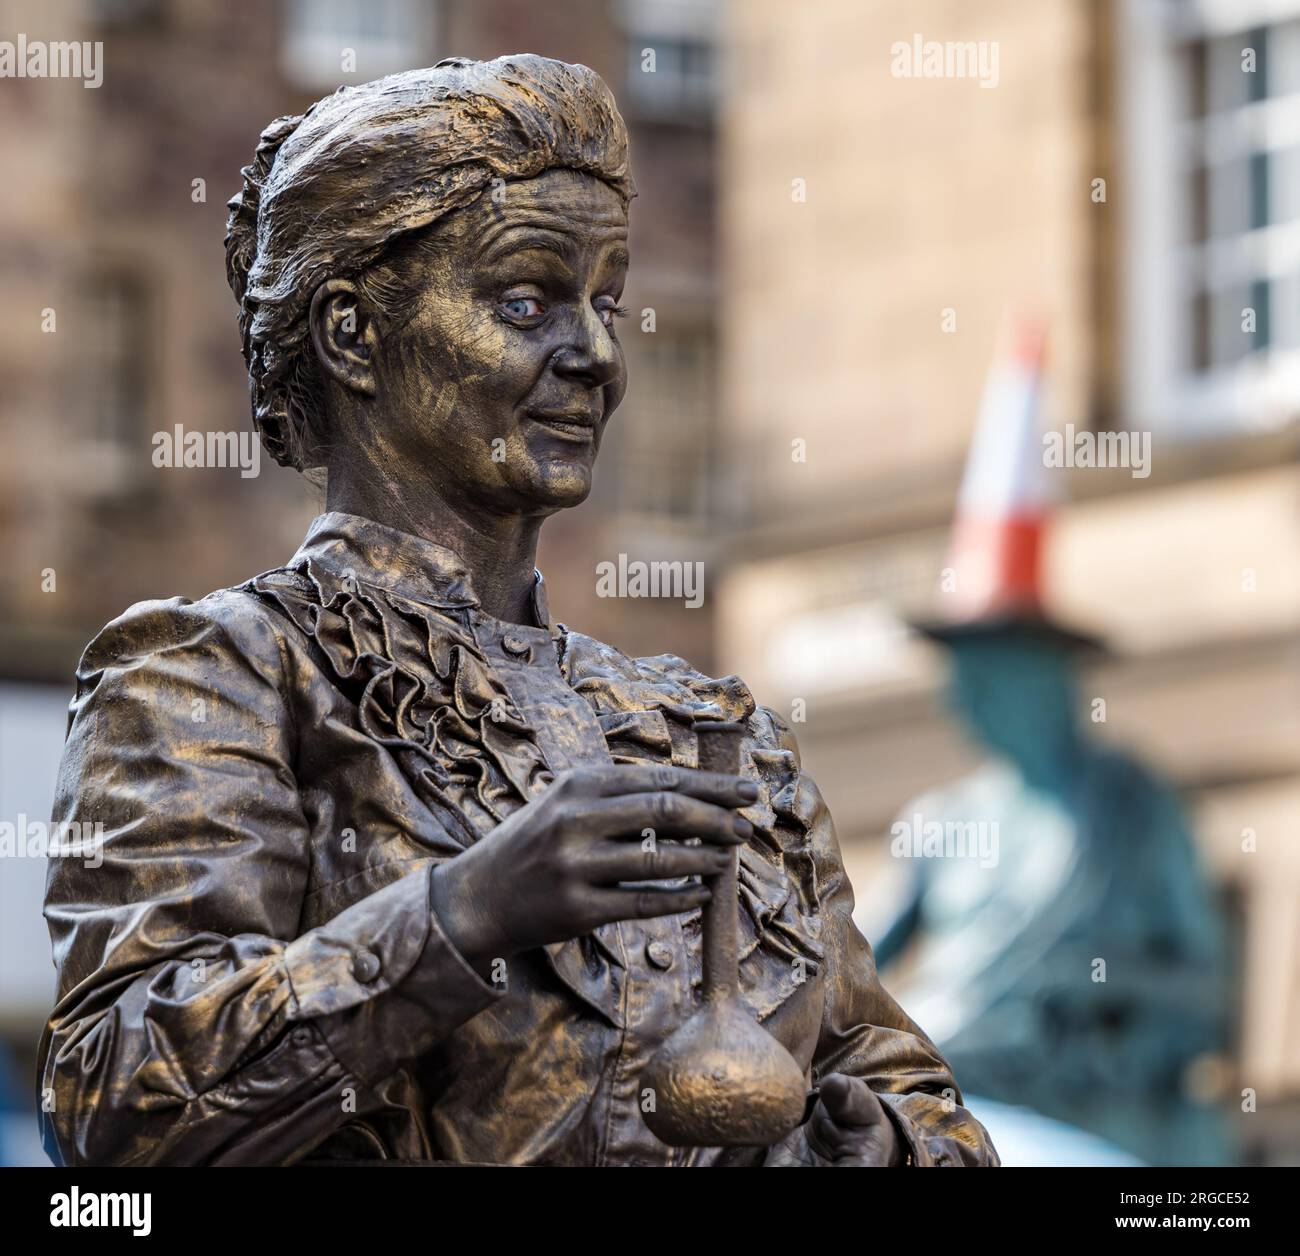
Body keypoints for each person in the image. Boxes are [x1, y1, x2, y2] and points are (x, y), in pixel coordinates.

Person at [37, 55, 996, 1168]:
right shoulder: (213, 674)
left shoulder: (717, 735)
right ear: (353, 334)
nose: (594, 354)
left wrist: (852, 1138)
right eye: (527, 299)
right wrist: (463, 913)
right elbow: (123, 1107)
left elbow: (914, 1097)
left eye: (608, 303)